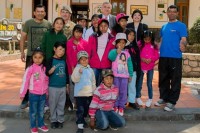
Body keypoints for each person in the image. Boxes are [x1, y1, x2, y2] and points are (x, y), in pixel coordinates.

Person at [155, 5, 187, 112]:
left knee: (175, 80)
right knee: (163, 79)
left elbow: (183, 39)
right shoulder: (164, 26)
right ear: (167, 13)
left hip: (175, 57)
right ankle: (164, 98)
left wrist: (183, 45)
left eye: (174, 12)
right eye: (170, 11)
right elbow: (160, 40)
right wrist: (156, 47)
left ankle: (172, 102)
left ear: (177, 13)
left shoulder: (181, 26)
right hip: (163, 56)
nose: (172, 13)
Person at [19, 4, 51, 109]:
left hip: (43, 56)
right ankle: (25, 98)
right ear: (34, 13)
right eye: (38, 11)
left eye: (42, 11)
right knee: (28, 77)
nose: (40, 13)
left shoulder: (48, 24)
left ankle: (44, 98)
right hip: (30, 56)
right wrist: (22, 52)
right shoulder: (28, 23)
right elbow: (23, 38)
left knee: (44, 78)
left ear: (45, 13)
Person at [20, 48, 49, 133]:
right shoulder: (30, 68)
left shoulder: (44, 68)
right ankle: (33, 126)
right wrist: (22, 93)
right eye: (35, 57)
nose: (37, 59)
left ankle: (41, 124)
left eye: (40, 57)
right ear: (32, 58)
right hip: (33, 95)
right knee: (33, 112)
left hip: (43, 95)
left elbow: (47, 80)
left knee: (41, 111)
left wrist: (47, 92)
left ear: (43, 58)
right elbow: (25, 81)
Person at [108, 33, 133, 116]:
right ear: (116, 44)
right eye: (119, 42)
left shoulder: (127, 53)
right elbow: (110, 57)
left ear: (125, 44)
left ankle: (121, 106)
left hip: (125, 76)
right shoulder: (113, 51)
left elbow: (129, 64)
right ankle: (115, 105)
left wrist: (131, 74)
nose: (121, 45)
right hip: (115, 76)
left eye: (123, 43)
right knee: (115, 91)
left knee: (123, 91)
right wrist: (116, 52)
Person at [46, 42, 69, 129]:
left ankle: (60, 120)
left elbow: (66, 74)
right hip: (53, 87)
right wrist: (50, 71)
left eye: (63, 50)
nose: (62, 51)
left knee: (61, 104)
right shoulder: (50, 60)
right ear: (54, 49)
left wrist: (67, 85)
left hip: (62, 87)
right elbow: (47, 73)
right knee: (53, 105)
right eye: (60, 49)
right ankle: (53, 120)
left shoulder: (63, 61)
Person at [71, 51, 96, 133]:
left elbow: (93, 81)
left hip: (89, 94)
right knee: (80, 110)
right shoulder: (77, 69)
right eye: (82, 59)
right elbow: (74, 79)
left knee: (86, 110)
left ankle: (81, 120)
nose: (84, 61)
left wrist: (93, 91)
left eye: (86, 59)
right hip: (80, 94)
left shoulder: (90, 70)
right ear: (78, 61)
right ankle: (80, 127)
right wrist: (79, 73)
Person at [87, 18, 115, 86]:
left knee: (105, 84)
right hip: (94, 63)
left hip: (106, 64)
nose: (103, 28)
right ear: (98, 26)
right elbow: (89, 50)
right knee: (93, 83)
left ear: (108, 26)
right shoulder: (92, 36)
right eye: (101, 26)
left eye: (105, 26)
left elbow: (112, 51)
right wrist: (88, 61)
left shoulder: (111, 38)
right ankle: (94, 96)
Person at [66, 24, 88, 109]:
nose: (78, 34)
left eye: (80, 32)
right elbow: (68, 55)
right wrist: (72, 66)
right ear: (73, 32)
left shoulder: (85, 43)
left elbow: (84, 54)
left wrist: (78, 45)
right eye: (76, 32)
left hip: (81, 68)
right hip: (71, 68)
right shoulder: (69, 42)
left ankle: (79, 102)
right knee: (72, 86)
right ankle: (72, 102)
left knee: (80, 85)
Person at [137, 30, 159, 107]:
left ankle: (150, 98)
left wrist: (151, 59)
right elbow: (136, 53)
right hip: (141, 66)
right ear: (142, 38)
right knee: (139, 82)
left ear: (151, 38)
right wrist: (142, 58)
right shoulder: (139, 44)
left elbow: (157, 55)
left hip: (150, 67)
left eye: (148, 39)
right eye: (145, 39)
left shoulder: (154, 45)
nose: (147, 40)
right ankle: (138, 97)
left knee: (149, 83)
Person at [124, 28, 140, 110]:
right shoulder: (123, 45)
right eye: (130, 34)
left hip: (133, 70)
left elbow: (137, 59)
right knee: (123, 86)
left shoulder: (135, 47)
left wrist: (137, 69)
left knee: (132, 86)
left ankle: (131, 101)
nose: (132, 37)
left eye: (133, 35)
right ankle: (123, 101)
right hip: (122, 70)